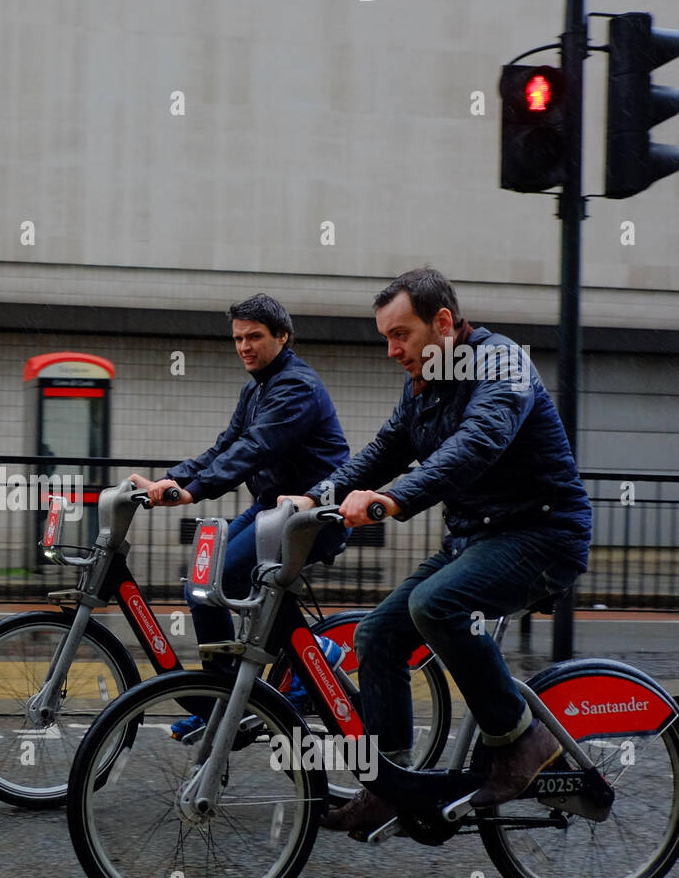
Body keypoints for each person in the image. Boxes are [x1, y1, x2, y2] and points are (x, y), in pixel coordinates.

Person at [280, 267, 592, 834]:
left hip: (543, 536)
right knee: (377, 632)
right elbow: (381, 451)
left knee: (437, 605)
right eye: (386, 337)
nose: (392, 349)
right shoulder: (423, 385)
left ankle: (522, 742)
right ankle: (390, 782)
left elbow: (478, 443)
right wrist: (316, 497)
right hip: (474, 538)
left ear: (443, 322)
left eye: (401, 334)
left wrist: (393, 499)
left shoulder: (500, 364)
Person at [130, 294, 350, 733]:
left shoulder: (296, 386)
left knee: (230, 573)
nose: (244, 346)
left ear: (282, 337)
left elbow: (255, 450)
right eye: (237, 338)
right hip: (272, 509)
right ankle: (220, 698)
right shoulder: (255, 389)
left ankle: (316, 652)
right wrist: (169, 480)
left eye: (254, 336)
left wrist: (192, 492)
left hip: (310, 514)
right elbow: (225, 447)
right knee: (201, 578)